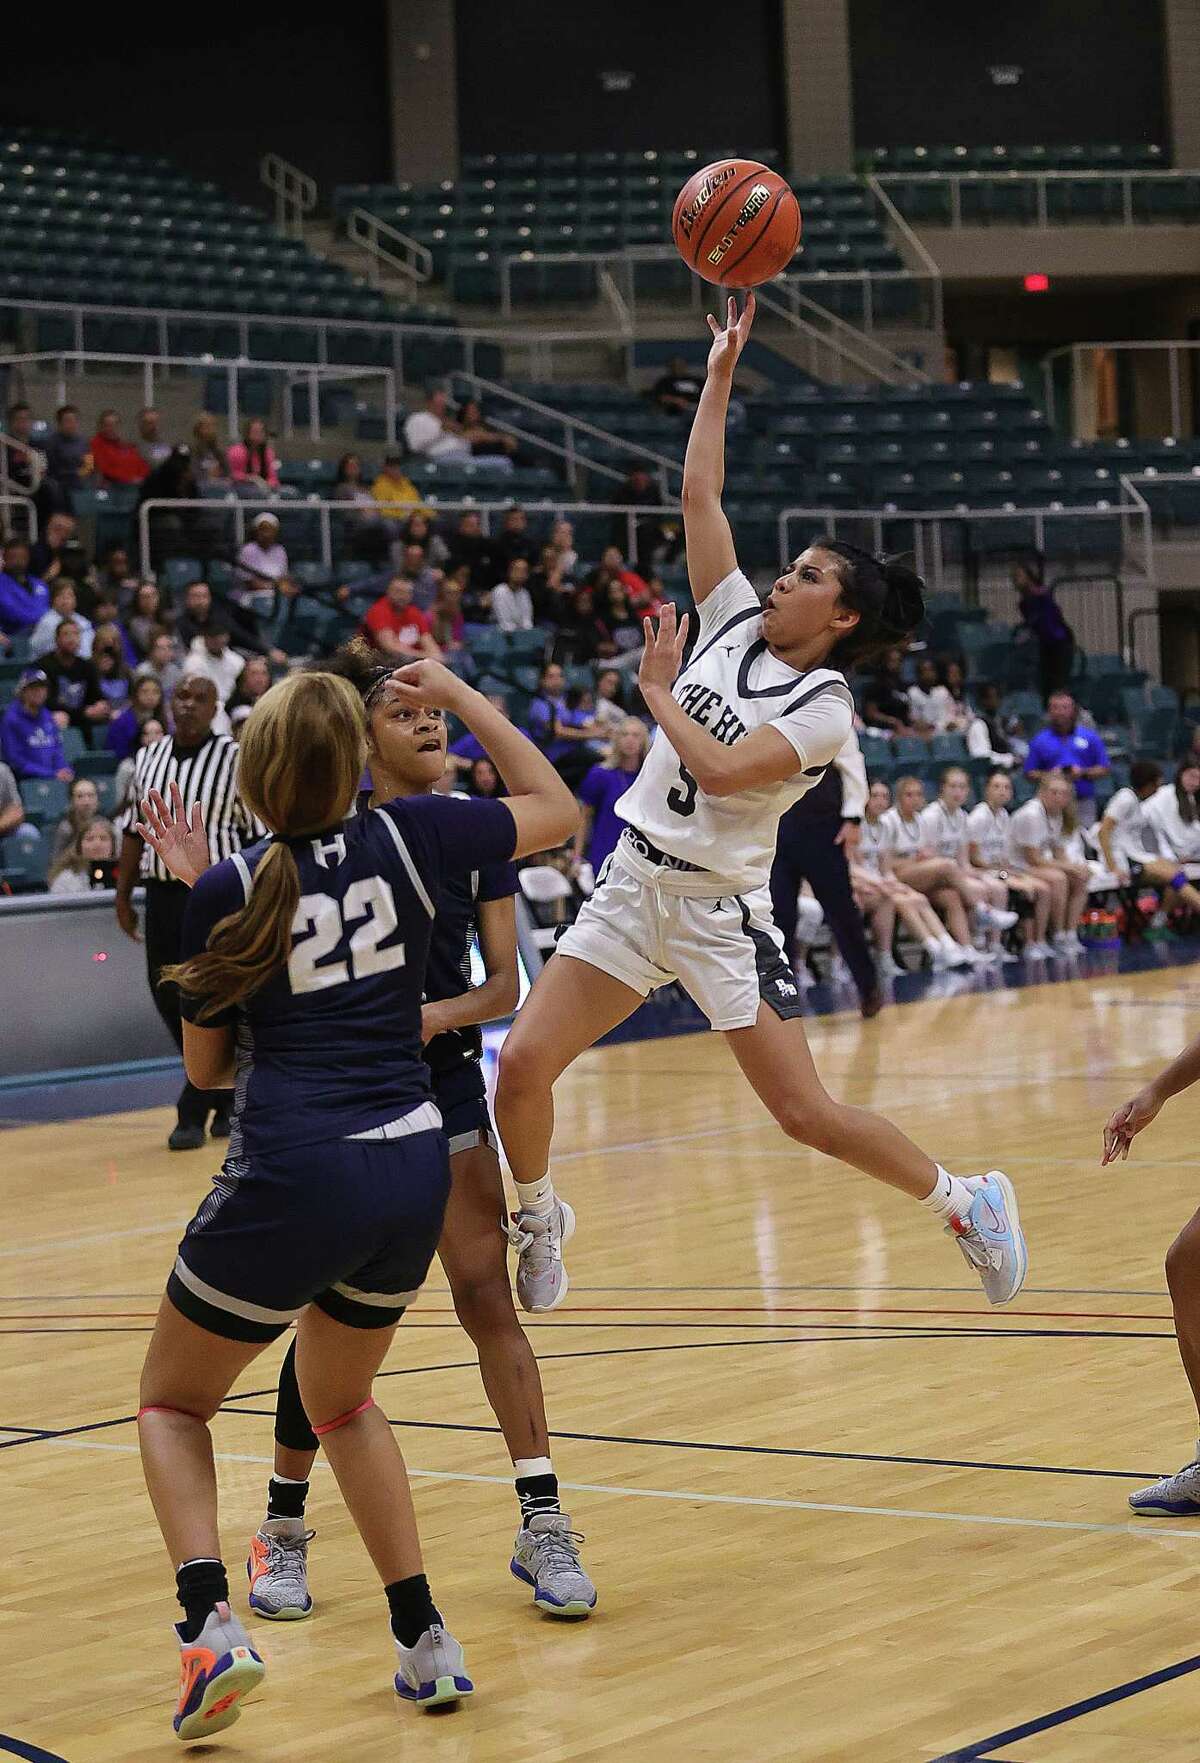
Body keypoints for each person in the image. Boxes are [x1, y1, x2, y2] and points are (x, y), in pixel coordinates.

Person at [492, 292, 1026, 1321]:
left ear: (846, 613)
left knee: (804, 1115)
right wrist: (722, 367)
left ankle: (968, 1201)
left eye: (809, 575)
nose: (782, 581)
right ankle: (538, 1212)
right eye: (788, 567)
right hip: (631, 887)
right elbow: (701, 492)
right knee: (519, 1065)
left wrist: (655, 692)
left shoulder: (826, 708)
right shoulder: (731, 621)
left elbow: (732, 772)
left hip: (721, 916)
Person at [128, 660, 578, 1738]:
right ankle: (426, 1641)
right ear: (353, 763)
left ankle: (209, 1628)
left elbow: (202, 1073)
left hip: (297, 1165)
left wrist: (200, 893)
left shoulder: (229, 888)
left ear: (259, 772)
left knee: (171, 1403)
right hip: (410, 1165)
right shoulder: (416, 833)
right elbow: (559, 809)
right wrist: (468, 697)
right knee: (345, 1402)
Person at [236, 640, 594, 1626]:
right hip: (335, 1099)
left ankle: (543, 1518)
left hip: (433, 1080)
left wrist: (430, 1018)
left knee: (486, 1293)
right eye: (407, 713)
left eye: (433, 711)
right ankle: (285, 1523)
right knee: (323, 1326)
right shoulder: (319, 836)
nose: (430, 723)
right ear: (358, 740)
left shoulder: (461, 834)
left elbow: (501, 985)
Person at [115, 676, 262, 1150]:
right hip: (161, 893)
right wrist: (122, 897)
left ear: (216, 706)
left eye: (200, 698)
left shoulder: (236, 759)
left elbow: (257, 832)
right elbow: (132, 831)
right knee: (166, 992)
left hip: (216, 891)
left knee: (209, 993)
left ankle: (192, 1106)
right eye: (181, 695)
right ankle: (218, 1094)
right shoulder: (148, 756)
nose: (189, 705)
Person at [770, 727, 883, 1016]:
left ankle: (868, 985)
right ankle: (781, 998)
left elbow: (852, 764)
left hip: (824, 826)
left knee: (841, 911)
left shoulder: (829, 700)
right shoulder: (766, 699)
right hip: (777, 823)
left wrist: (854, 817)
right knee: (778, 917)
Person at [853, 780, 967, 975]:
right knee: (901, 901)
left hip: (882, 882)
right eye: (875, 796)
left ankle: (948, 946)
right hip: (864, 884)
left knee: (917, 898)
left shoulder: (883, 826)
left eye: (884, 797)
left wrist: (894, 883)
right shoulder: (856, 827)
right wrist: (885, 883)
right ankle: (932, 949)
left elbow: (885, 868)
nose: (880, 801)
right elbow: (855, 866)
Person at [918, 766, 1020, 959]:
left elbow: (964, 863)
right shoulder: (931, 816)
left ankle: (993, 946)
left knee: (996, 886)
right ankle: (978, 938)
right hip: (932, 877)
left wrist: (988, 875)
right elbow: (925, 858)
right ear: (942, 789)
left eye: (962, 787)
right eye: (953, 786)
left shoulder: (962, 816)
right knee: (978, 889)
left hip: (954, 875)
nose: (957, 792)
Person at [882, 776, 982, 966]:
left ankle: (963, 948)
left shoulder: (920, 820)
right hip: (897, 877)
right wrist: (914, 860)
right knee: (946, 865)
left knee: (951, 895)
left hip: (919, 876)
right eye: (909, 795)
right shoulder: (890, 820)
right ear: (899, 797)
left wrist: (924, 859)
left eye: (918, 795)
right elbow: (887, 864)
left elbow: (927, 854)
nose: (914, 799)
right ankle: (980, 909)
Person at [967, 769, 1056, 958]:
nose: (1002, 791)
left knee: (1042, 888)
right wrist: (1005, 874)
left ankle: (1038, 941)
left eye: (1007, 787)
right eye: (996, 786)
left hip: (1000, 869)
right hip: (983, 871)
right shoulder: (979, 817)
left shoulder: (1004, 816)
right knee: (1022, 889)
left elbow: (1004, 855)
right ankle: (998, 945)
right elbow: (974, 858)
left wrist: (1012, 872)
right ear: (986, 790)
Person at [1097, 759, 1200, 918]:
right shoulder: (1124, 798)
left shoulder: (1138, 801)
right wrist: (1113, 867)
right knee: (1173, 876)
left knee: (1178, 872)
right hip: (1123, 859)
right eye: (1157, 784)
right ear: (1149, 784)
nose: (1158, 789)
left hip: (1136, 854)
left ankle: (1159, 920)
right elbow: (1103, 832)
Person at [1008, 769, 1089, 954]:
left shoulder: (1057, 814)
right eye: (1054, 792)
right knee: (1058, 878)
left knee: (1081, 876)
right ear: (1041, 793)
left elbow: (1059, 852)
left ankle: (1071, 933)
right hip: (1016, 866)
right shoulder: (1032, 814)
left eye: (1064, 793)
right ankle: (1057, 934)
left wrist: (1075, 868)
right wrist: (1068, 867)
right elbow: (1033, 858)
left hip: (1036, 864)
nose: (1059, 797)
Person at [574, 718, 650, 875]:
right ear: (617, 739)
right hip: (605, 853)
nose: (630, 740)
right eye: (625, 734)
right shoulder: (600, 774)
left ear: (643, 741)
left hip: (641, 857)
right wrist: (576, 856)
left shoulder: (650, 778)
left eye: (636, 735)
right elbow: (584, 817)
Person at [1024, 691, 1109, 827]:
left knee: (1084, 843)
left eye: (1065, 707)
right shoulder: (1039, 740)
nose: (1060, 712)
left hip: (1083, 801)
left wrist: (1082, 773)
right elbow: (1029, 773)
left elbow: (1104, 768)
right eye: (1056, 708)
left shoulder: (1090, 737)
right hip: (1050, 804)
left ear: (1073, 710)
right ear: (1049, 711)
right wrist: (1052, 776)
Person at [527, 660, 601, 788]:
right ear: (542, 681)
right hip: (557, 754)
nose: (556, 680)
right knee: (599, 759)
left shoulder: (565, 700)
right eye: (551, 676)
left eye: (559, 676)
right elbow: (558, 731)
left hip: (576, 749)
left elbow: (581, 719)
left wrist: (602, 730)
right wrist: (592, 734)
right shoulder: (540, 704)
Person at [1015, 554, 1074, 700]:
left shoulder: (1041, 595)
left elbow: (1048, 619)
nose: (1017, 580)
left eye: (1020, 576)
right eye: (1015, 577)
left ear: (1029, 577)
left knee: (1058, 683)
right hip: (1045, 645)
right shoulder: (1023, 603)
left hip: (1059, 641)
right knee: (1047, 683)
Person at [38, 617, 107, 738]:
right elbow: (48, 702)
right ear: (57, 639)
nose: (71, 638)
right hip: (58, 718)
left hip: (83, 717)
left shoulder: (87, 666)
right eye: (66, 634)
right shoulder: (44, 665)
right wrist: (83, 713)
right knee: (59, 718)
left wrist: (101, 705)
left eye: (75, 634)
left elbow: (96, 695)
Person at [1, 667, 71, 781]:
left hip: (53, 779)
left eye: (42, 687)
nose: (39, 692)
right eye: (33, 688)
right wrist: (51, 774)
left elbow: (57, 751)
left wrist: (64, 769)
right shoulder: (11, 719)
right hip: (25, 782)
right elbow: (15, 761)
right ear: (23, 691)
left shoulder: (48, 716)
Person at [362, 575, 442, 661]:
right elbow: (390, 648)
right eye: (398, 592)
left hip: (411, 662)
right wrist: (425, 656)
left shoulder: (414, 612)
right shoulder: (378, 611)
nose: (402, 596)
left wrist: (434, 656)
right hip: (379, 663)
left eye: (407, 592)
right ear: (388, 591)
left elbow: (431, 645)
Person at [183, 622, 243, 733]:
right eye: (212, 637)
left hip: (233, 705)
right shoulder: (193, 662)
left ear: (226, 637)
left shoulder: (237, 661)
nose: (216, 640)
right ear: (205, 638)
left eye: (219, 636)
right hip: (207, 705)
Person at [1143, 762, 1200, 867]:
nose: (1196, 782)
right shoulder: (1164, 794)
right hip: (1169, 856)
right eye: (1192, 776)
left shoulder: (1192, 797)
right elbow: (1145, 814)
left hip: (1192, 857)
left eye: (1199, 778)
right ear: (1181, 774)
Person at [0, 535, 50, 644]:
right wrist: (45, 621)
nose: (18, 562)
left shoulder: (39, 584)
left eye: (22, 557)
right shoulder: (1, 583)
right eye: (13, 557)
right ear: (4, 558)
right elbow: (12, 612)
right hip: (12, 640)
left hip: (42, 638)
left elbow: (47, 609)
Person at [47, 817, 118, 894]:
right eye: (90, 839)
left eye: (103, 839)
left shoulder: (123, 876)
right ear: (79, 846)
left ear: (113, 846)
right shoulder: (66, 880)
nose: (97, 844)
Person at [862, 646, 920, 737]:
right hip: (883, 731)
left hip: (904, 730)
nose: (896, 664)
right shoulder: (876, 686)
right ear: (884, 662)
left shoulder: (902, 685)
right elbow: (871, 713)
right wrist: (893, 722)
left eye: (899, 661)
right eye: (892, 661)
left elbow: (907, 713)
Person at [107, 674, 168, 761]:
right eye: (145, 692)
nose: (150, 696)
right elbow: (118, 754)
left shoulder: (164, 719)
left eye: (156, 692)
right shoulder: (121, 722)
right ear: (135, 694)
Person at [404, 386, 472, 462]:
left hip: (463, 456)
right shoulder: (417, 418)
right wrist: (441, 431)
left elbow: (463, 441)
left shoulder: (446, 419)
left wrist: (464, 435)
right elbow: (415, 447)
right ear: (429, 402)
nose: (442, 404)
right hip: (438, 459)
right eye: (439, 401)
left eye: (443, 401)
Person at [115, 717, 167, 815]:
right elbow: (120, 801)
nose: (152, 738)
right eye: (147, 733)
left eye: (157, 733)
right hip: (134, 817)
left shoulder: (174, 764)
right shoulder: (127, 767)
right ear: (140, 737)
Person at [43, 404, 92, 503]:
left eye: (74, 421)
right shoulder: (51, 443)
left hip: (80, 484)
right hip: (59, 485)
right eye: (68, 421)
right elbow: (51, 469)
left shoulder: (84, 442)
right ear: (59, 423)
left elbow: (89, 465)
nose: (72, 424)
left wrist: (80, 474)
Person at [966, 681, 1020, 770]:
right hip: (989, 772)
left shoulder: (1001, 722)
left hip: (1006, 770)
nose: (995, 701)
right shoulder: (978, 724)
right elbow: (982, 756)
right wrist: (1008, 759)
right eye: (991, 697)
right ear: (982, 700)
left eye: (998, 697)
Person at [91, 409, 149, 486]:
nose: (111, 428)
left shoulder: (126, 446)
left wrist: (142, 477)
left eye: (115, 425)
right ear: (101, 426)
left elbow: (142, 465)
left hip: (132, 486)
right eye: (108, 425)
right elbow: (103, 469)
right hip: (110, 488)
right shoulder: (93, 445)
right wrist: (130, 479)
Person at [51, 775, 101, 861]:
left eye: (91, 795)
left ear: (98, 800)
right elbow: (56, 862)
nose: (86, 801)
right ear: (71, 801)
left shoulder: (104, 825)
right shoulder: (66, 828)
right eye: (80, 796)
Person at [457, 396, 518, 462]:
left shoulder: (485, 428)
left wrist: (504, 439)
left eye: (475, 411)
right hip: (477, 458)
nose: (474, 414)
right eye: (470, 412)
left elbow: (509, 441)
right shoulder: (460, 429)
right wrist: (497, 438)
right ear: (464, 413)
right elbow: (470, 437)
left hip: (496, 457)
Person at [227, 419, 280, 490]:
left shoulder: (268, 453)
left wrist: (268, 484)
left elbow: (272, 477)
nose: (258, 435)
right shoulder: (236, 452)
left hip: (264, 488)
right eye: (255, 432)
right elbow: (232, 474)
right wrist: (250, 478)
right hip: (240, 487)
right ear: (247, 433)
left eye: (261, 432)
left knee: (290, 491)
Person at [137, 629, 184, 705]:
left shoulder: (174, 670)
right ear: (152, 651)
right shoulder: (142, 672)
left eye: (169, 647)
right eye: (161, 648)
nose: (166, 652)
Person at [128, 581, 169, 659]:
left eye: (153, 595)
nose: (149, 600)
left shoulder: (167, 617)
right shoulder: (135, 623)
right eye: (144, 597)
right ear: (138, 601)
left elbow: (177, 644)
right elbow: (148, 646)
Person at [492, 557, 534, 632]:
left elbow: (527, 620)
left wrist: (527, 632)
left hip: (522, 634)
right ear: (510, 572)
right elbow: (504, 622)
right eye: (517, 569)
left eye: (524, 571)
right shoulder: (500, 591)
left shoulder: (525, 593)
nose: (521, 573)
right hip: (502, 634)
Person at [190, 414, 228, 481]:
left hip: (219, 486)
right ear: (199, 429)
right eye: (208, 427)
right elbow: (193, 473)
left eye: (213, 426)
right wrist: (207, 474)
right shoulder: (193, 451)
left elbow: (227, 472)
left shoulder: (219, 451)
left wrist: (220, 473)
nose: (212, 430)